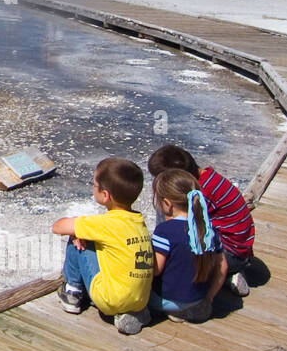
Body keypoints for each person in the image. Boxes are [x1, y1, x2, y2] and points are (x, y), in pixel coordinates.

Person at [51, 157, 154, 335]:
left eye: (94, 184)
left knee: (76, 234)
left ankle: (72, 293)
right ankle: (131, 312)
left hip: (110, 299)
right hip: (140, 300)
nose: (92, 186)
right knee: (92, 237)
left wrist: (76, 233)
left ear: (105, 195)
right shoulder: (138, 221)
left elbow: (58, 227)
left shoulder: (106, 224)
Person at [148, 144, 256, 296]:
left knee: (166, 202)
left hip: (229, 255)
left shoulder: (199, 194)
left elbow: (180, 231)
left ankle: (162, 251)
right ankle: (231, 274)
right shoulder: (208, 177)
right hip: (239, 251)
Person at [148, 169, 227, 322]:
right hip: (198, 298)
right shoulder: (208, 229)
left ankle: (169, 311)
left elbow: (156, 270)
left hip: (166, 300)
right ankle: (192, 309)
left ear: (167, 204)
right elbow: (222, 267)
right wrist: (209, 298)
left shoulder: (165, 231)